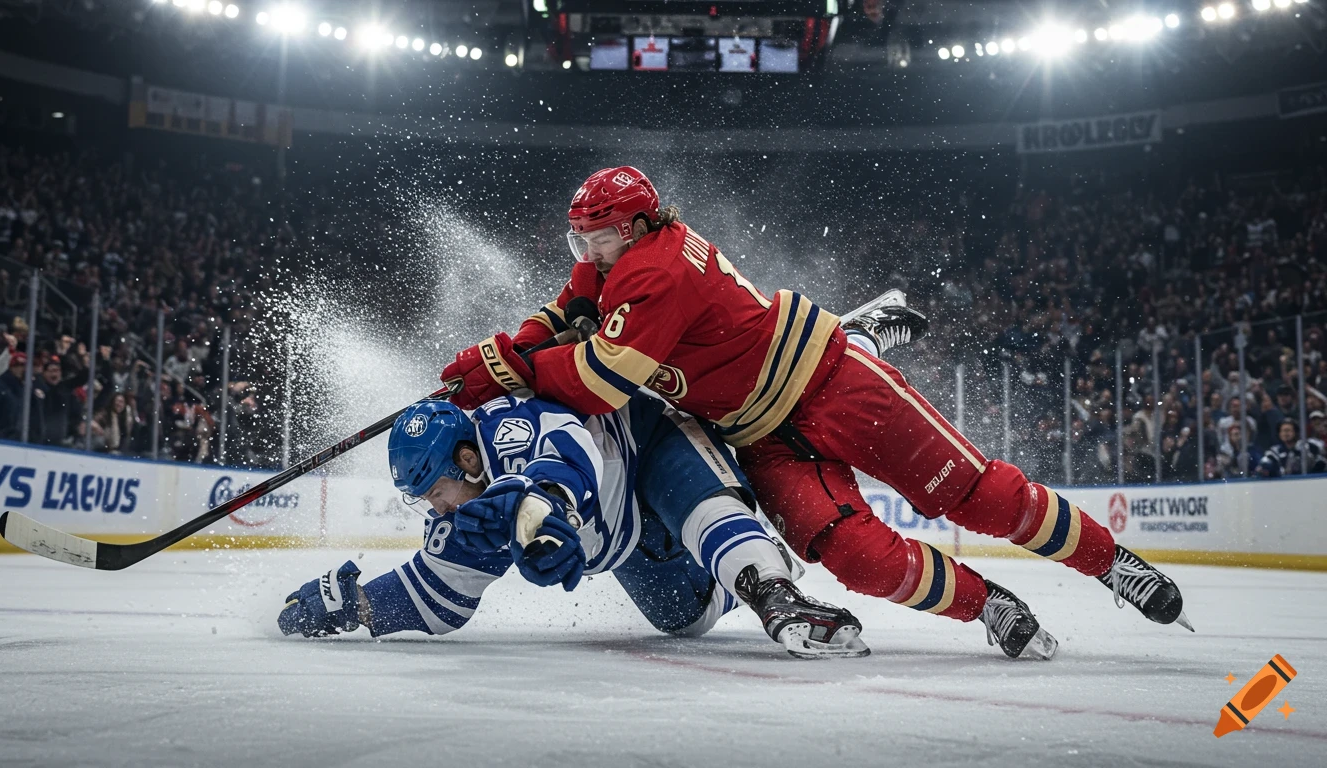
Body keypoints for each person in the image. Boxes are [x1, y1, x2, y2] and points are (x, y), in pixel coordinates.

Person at [440, 167, 1190, 659]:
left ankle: (1111, 563)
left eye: (594, 236)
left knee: (974, 497)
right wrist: (513, 344)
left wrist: (501, 369)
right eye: (580, 236)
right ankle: (986, 603)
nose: (586, 249)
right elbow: (570, 307)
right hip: (761, 431)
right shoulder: (617, 257)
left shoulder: (655, 272)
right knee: (854, 557)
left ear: (631, 230)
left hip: (829, 382)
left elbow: (600, 379)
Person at [279, 393, 868, 659]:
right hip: (625, 538)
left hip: (649, 442)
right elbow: (435, 599)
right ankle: (756, 562)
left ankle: (775, 592)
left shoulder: (508, 427)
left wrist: (544, 508)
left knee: (700, 509)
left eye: (434, 493)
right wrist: (351, 603)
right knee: (683, 621)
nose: (437, 510)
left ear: (464, 459)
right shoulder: (463, 508)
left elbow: (567, 448)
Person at [1257, 421, 1326, 478]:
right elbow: (1262, 469)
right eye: (1282, 431)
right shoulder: (1274, 451)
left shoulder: (1308, 447)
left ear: (1295, 432)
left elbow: (1320, 464)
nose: (1285, 433)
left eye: (1288, 430)